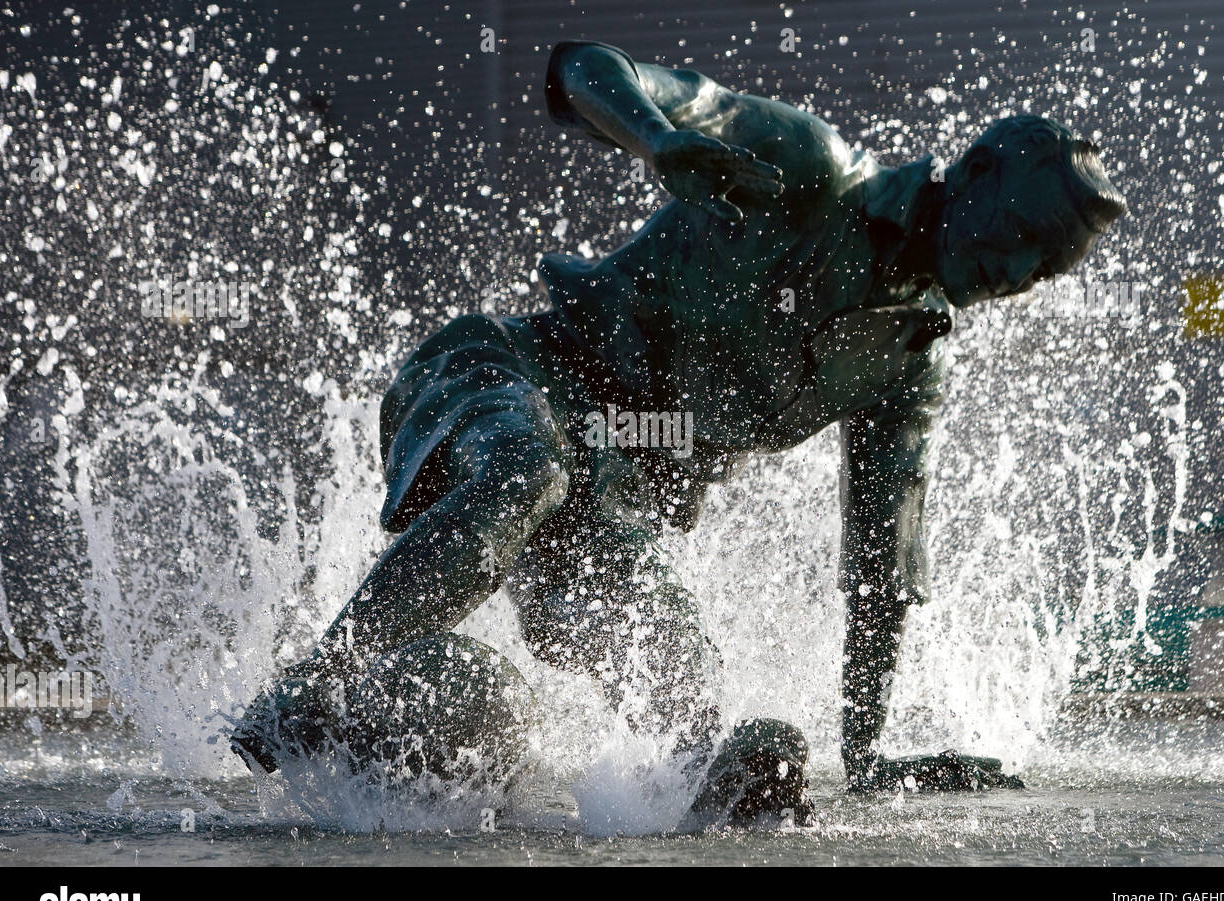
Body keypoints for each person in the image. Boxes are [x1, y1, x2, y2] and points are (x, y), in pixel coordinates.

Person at [232, 39, 1126, 801]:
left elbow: (878, 569)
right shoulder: (812, 171)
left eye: (1043, 268)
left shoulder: (906, 364)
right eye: (1017, 232)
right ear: (971, 174)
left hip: (610, 486)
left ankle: (705, 797)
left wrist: (869, 759)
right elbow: (585, 68)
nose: (1015, 270)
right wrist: (659, 141)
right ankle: (309, 686)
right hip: (512, 375)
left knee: (690, 687)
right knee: (525, 475)